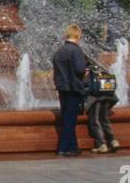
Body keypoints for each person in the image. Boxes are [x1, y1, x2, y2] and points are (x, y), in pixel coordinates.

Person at [51, 23, 89, 157]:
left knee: (67, 116)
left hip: (62, 88)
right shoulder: (76, 50)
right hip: (73, 88)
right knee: (70, 119)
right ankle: (63, 148)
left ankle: (73, 147)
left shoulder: (59, 51)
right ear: (78, 35)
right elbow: (79, 69)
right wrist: (85, 72)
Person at [86, 64, 120, 153]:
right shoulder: (99, 66)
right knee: (104, 119)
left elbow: (86, 84)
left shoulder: (87, 68)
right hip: (107, 96)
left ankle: (101, 145)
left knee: (95, 121)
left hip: (95, 98)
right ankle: (113, 141)